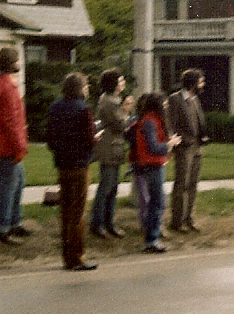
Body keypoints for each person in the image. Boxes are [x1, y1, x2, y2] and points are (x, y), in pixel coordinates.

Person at [46, 72, 98, 271]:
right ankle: (77, 256)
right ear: (80, 88)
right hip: (79, 164)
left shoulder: (55, 108)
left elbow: (50, 138)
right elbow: (88, 139)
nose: (87, 89)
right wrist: (94, 140)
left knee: (66, 211)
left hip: (62, 164)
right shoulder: (84, 109)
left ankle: (67, 255)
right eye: (85, 86)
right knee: (78, 212)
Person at [0, 47, 29, 245]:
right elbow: (13, 121)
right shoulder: (8, 88)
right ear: (12, 63)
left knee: (16, 181)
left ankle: (13, 221)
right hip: (8, 145)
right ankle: (3, 227)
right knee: (10, 186)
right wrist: (19, 146)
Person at [90, 68, 134, 238]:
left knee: (112, 187)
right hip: (109, 148)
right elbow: (120, 125)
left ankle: (108, 222)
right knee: (107, 187)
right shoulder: (110, 102)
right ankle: (98, 223)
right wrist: (126, 111)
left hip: (113, 147)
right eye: (120, 81)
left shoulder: (112, 99)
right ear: (114, 84)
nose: (123, 83)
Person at [135, 92, 181, 253]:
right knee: (157, 202)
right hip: (152, 164)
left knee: (158, 201)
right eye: (165, 104)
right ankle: (151, 239)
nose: (167, 107)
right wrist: (169, 144)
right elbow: (153, 147)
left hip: (155, 164)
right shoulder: (150, 122)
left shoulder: (153, 120)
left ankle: (152, 237)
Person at [167, 68, 207, 232]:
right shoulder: (176, 99)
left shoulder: (195, 99)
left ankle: (188, 217)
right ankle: (177, 221)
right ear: (192, 84)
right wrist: (175, 144)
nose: (202, 84)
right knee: (182, 184)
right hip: (184, 148)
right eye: (200, 81)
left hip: (196, 146)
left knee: (193, 184)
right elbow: (171, 123)